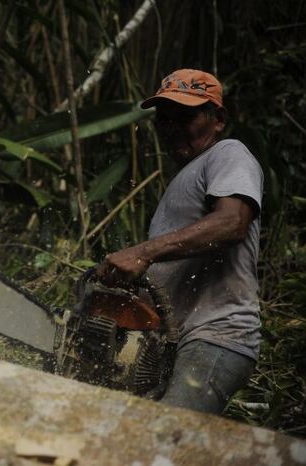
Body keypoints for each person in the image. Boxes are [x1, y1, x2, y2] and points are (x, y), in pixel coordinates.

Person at [96, 69, 263, 415]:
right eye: (165, 121)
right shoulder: (187, 177)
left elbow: (232, 223)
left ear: (218, 119)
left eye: (185, 117)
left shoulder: (228, 154)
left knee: (169, 435)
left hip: (216, 335)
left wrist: (142, 252)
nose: (173, 128)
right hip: (171, 340)